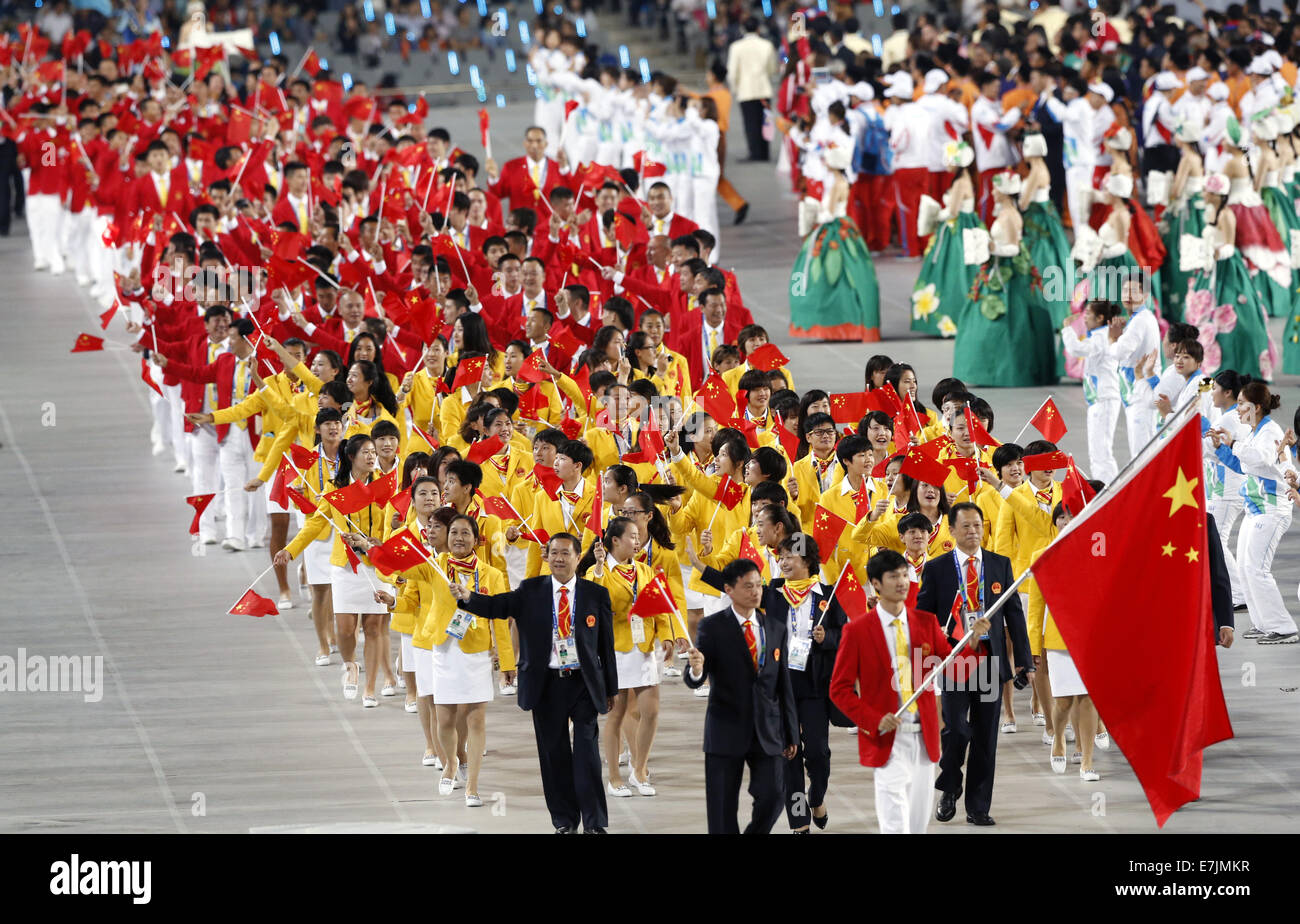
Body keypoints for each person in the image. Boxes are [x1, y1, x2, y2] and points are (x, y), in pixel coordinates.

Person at [451, 533, 619, 833]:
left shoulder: (595, 594)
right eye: (553, 552)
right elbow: (498, 606)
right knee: (553, 756)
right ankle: (565, 822)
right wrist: (468, 598)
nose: (558, 558)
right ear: (546, 556)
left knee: (587, 756)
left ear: (578, 557)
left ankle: (595, 823)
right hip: (546, 686)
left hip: (583, 683)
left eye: (565, 553)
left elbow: (606, 646)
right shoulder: (531, 590)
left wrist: (611, 688)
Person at [832, 549, 991, 833]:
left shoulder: (926, 623)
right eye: (894, 576)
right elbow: (839, 690)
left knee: (917, 825)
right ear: (876, 584)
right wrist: (872, 720)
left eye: (905, 575)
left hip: (924, 739)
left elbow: (955, 669)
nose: (903, 582)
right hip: (886, 740)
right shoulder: (856, 631)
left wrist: (975, 640)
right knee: (895, 824)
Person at [916, 503, 1032, 826]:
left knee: (985, 737)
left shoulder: (999, 564)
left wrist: (1024, 661)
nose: (972, 532)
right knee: (956, 731)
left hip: (989, 662)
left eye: (977, 526)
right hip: (954, 661)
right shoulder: (937, 569)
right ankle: (950, 786)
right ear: (951, 531)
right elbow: (923, 618)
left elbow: (1013, 616)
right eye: (965, 526)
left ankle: (978, 806)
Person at [684, 558, 798, 834]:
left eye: (759, 585)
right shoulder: (712, 627)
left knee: (773, 797)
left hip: (767, 730)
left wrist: (791, 732)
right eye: (748, 586)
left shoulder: (774, 627)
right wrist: (697, 670)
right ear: (729, 589)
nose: (756, 592)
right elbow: (693, 675)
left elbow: (784, 685)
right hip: (726, 729)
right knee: (722, 810)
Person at [1209, 383, 1298, 645]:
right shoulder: (1252, 431)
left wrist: (1233, 442)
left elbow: (1261, 458)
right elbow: (1243, 465)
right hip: (1256, 508)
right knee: (1248, 568)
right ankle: (1263, 624)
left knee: (1258, 569)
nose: (1237, 409)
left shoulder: (1270, 431)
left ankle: (1283, 627)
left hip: (1272, 509)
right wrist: (1221, 447)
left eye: (1241, 403)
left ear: (1256, 407)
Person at [788, 143, 880, 343]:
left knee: (827, 275)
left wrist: (812, 214)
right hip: (843, 228)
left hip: (833, 230)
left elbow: (829, 213)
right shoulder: (841, 181)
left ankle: (836, 322)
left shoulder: (837, 183)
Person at [727, 18, 778, 162]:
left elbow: (732, 72)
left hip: (746, 90)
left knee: (750, 123)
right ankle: (764, 152)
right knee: (765, 121)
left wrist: (735, 88)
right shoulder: (767, 45)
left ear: (743, 29)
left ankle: (754, 152)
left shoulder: (736, 47)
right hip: (763, 88)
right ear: (758, 29)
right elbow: (772, 68)